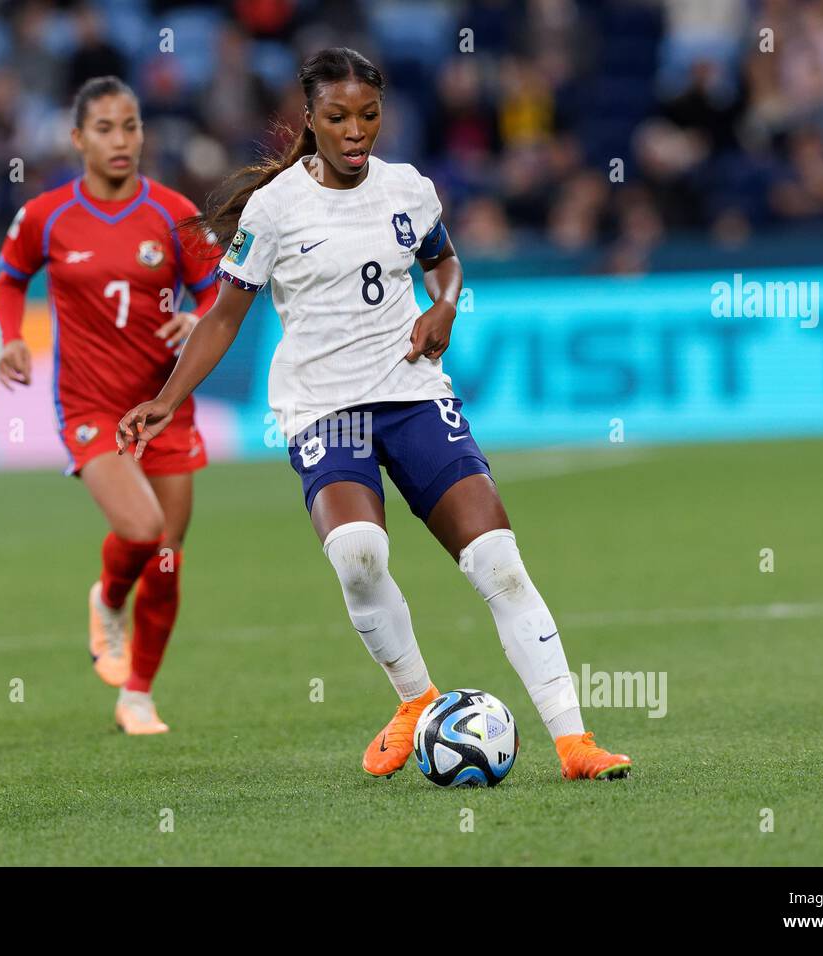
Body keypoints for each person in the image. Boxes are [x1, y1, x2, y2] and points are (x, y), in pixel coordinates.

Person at [117, 49, 632, 780]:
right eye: (338, 117)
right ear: (310, 120)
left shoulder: (408, 190)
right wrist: (167, 399)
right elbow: (225, 317)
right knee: (359, 555)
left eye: (368, 115)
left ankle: (575, 744)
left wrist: (444, 305)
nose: (356, 131)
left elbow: (443, 261)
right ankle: (415, 699)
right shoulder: (274, 210)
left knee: (498, 561)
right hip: (325, 409)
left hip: (413, 394)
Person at [0, 77, 218, 734]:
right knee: (143, 530)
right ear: (77, 139)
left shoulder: (174, 214)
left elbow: (217, 297)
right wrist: (12, 338)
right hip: (91, 406)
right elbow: (10, 278)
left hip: (166, 407)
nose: (121, 141)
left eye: (131, 126)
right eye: (105, 129)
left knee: (170, 555)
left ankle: (138, 696)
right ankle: (108, 598)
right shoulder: (48, 216)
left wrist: (192, 319)